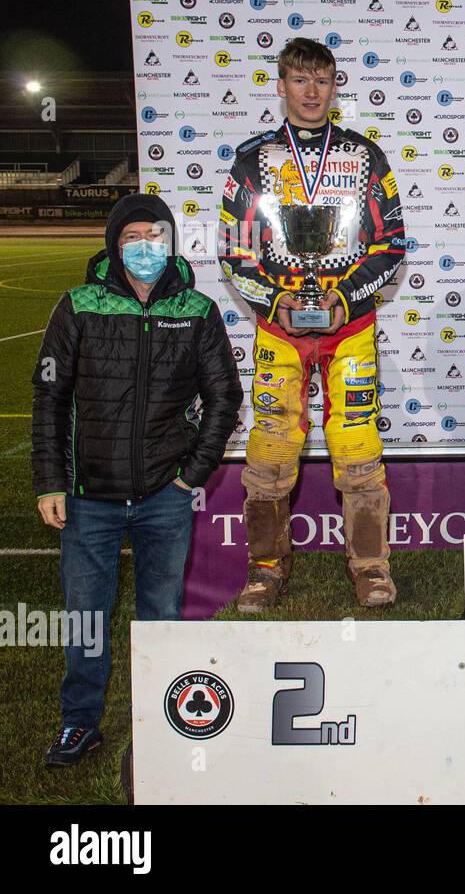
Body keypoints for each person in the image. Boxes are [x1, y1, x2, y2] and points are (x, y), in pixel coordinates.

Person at [32, 193, 241, 767]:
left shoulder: (196, 310)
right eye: (133, 237)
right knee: (86, 619)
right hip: (87, 499)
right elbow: (49, 398)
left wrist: (191, 474)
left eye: (157, 234)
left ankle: (163, 722)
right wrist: (51, 481)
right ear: (113, 244)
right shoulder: (78, 305)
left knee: (161, 617)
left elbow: (225, 397)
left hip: (163, 498)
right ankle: (80, 724)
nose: (146, 247)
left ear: (172, 241)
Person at [218, 37, 405, 610]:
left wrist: (344, 301)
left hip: (349, 326)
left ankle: (371, 568)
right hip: (280, 329)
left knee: (358, 447)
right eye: (299, 80)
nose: (311, 91)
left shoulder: (366, 156)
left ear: (334, 86)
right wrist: (276, 304)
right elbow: (233, 251)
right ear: (281, 86)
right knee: (271, 450)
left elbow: (390, 245)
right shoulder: (253, 160)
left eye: (321, 80)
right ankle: (266, 569)